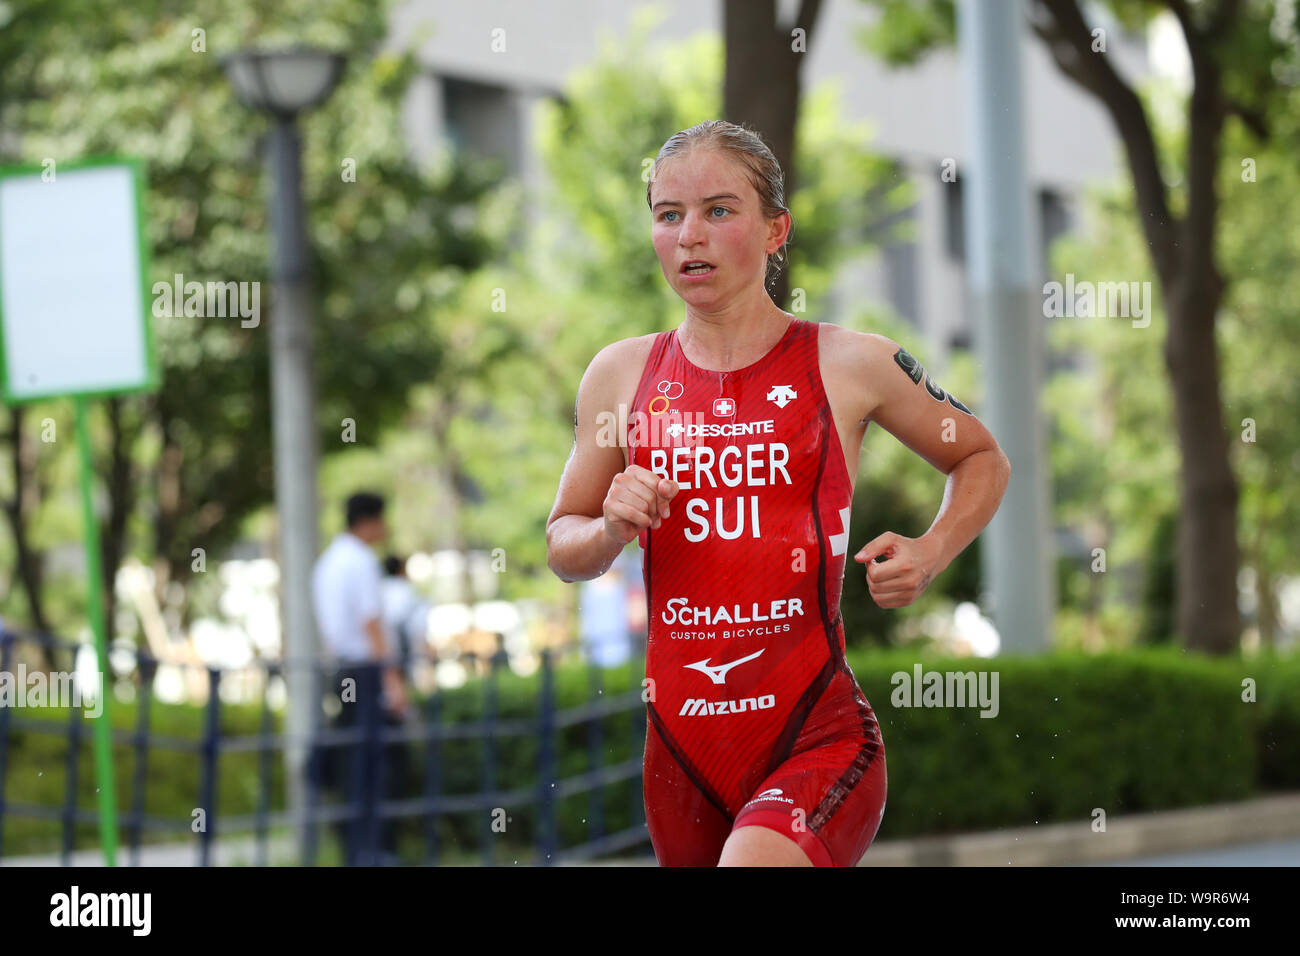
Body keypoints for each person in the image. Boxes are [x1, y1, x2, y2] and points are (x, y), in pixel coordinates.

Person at [545, 120, 1010, 867]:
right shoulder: (620, 375)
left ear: (775, 230)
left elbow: (982, 457)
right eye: (669, 215)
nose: (689, 235)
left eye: (719, 211)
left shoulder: (853, 363)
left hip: (815, 736)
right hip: (681, 753)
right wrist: (607, 529)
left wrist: (930, 551)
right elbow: (562, 541)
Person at [311, 491, 411, 865]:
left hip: (342, 672)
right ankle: (376, 850)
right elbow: (371, 623)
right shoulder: (361, 561)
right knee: (377, 765)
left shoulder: (327, 562)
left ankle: (356, 851)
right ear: (369, 520)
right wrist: (393, 681)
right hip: (367, 673)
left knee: (352, 764)